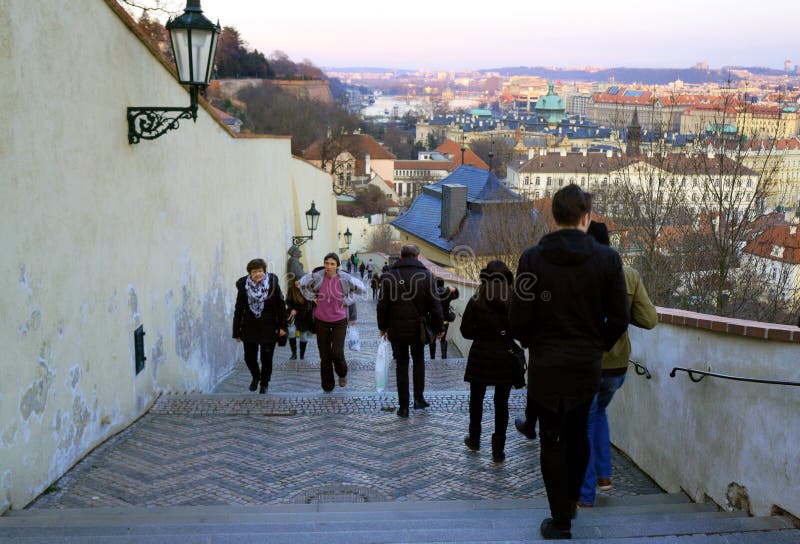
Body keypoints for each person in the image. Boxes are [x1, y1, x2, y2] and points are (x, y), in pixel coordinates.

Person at [510, 185, 628, 540]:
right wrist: (596, 346)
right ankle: (572, 503)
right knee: (578, 434)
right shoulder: (608, 260)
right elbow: (620, 318)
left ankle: (559, 518)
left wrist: (536, 345)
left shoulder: (533, 258)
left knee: (551, 439)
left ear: (553, 216)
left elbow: (517, 319)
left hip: (547, 364)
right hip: (585, 364)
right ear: (586, 217)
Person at [577, 221, 658, 508]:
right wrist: (622, 312)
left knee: (584, 423)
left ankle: (585, 493)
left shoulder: (579, 274)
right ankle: (604, 477)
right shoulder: (630, 276)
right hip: (617, 366)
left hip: (587, 363)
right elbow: (649, 319)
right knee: (598, 414)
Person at [460, 261, 518, 462]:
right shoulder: (514, 299)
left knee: (476, 400)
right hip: (504, 357)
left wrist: (482, 333)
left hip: (480, 356)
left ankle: (474, 439)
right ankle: (498, 450)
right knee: (501, 404)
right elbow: (518, 329)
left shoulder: (477, 298)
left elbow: (465, 331)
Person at [377, 244, 443, 418]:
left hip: (396, 328)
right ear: (417, 256)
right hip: (418, 328)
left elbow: (382, 305)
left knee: (401, 365)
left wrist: (382, 327)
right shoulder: (427, 276)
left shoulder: (388, 276)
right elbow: (435, 306)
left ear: (401, 255)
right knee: (419, 361)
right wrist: (438, 328)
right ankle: (419, 399)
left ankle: (403, 406)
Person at [300, 253, 366, 392]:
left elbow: (362, 289)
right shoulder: (317, 276)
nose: (328, 266)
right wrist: (312, 297)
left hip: (339, 320)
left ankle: (342, 373)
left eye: (332, 264)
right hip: (321, 320)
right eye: (326, 263)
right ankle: (327, 385)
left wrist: (347, 301)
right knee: (324, 356)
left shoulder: (344, 278)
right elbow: (302, 285)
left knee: (336, 353)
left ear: (337, 265)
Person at [232, 258, 288, 394]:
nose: (258, 274)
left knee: (266, 358)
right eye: (254, 271)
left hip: (269, 327)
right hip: (249, 327)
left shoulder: (273, 284)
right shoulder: (243, 286)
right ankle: (256, 376)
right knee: (249, 357)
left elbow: (281, 305)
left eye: (260, 271)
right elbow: (239, 309)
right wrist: (236, 331)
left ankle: (264, 383)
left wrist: (283, 326)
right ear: (250, 273)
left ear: (264, 271)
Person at [286, 278, 314, 361]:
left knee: (304, 337)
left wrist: (297, 310)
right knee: (291, 332)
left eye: (299, 283)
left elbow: (308, 305)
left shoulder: (307, 290)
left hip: (304, 317)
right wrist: (291, 309)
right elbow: (288, 301)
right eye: (296, 283)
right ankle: (294, 353)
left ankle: (302, 354)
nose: (297, 284)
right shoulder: (291, 290)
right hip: (293, 316)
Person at [431, 278, 459, 359]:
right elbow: (456, 295)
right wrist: (454, 289)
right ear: (443, 284)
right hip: (445, 319)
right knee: (443, 339)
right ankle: (444, 357)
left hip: (434, 319)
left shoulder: (432, 293)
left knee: (432, 339)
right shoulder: (448, 293)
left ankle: (432, 357)